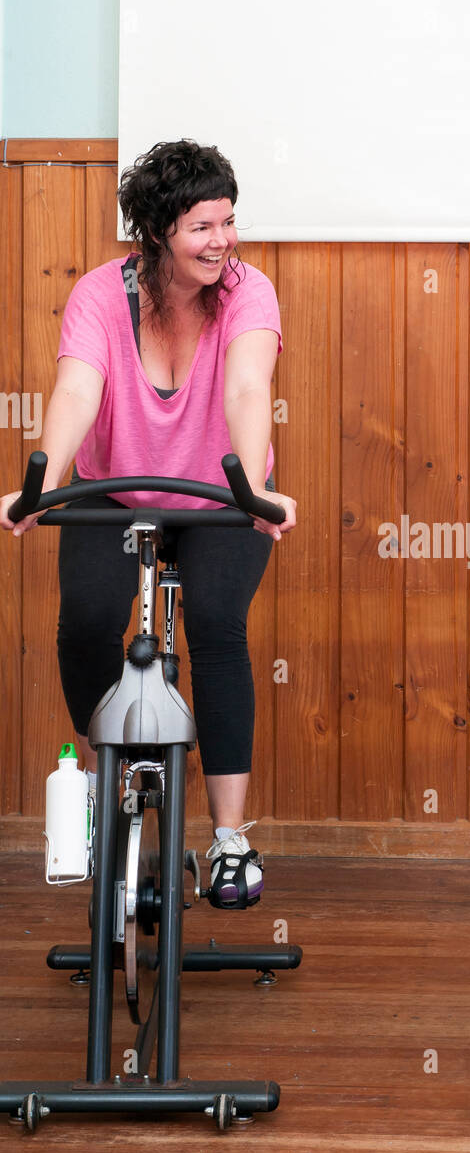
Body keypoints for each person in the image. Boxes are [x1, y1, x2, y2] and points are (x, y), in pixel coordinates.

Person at [0, 139, 296, 908]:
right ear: (159, 229)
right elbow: (75, 392)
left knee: (218, 625)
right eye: (203, 226)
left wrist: (252, 487)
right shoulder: (103, 294)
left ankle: (229, 840)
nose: (222, 241)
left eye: (228, 222)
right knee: (86, 622)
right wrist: (44, 484)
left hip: (219, 495)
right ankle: (110, 778)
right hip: (118, 485)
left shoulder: (247, 292)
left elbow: (244, 389)